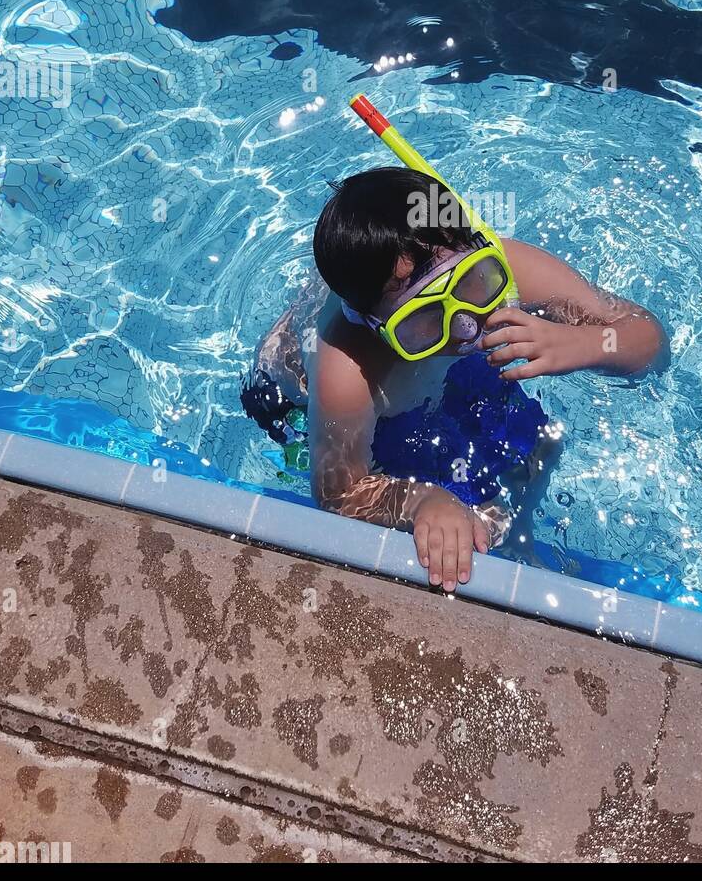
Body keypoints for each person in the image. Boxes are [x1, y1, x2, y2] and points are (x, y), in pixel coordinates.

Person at [243, 164, 667, 593]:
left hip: (437, 367)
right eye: (423, 317)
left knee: (541, 439)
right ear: (373, 324)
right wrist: (420, 500)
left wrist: (582, 343)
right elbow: (337, 493)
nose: (466, 327)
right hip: (293, 395)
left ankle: (519, 535)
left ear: (479, 247)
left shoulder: (507, 268)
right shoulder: (351, 371)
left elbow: (647, 339)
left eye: (470, 286)